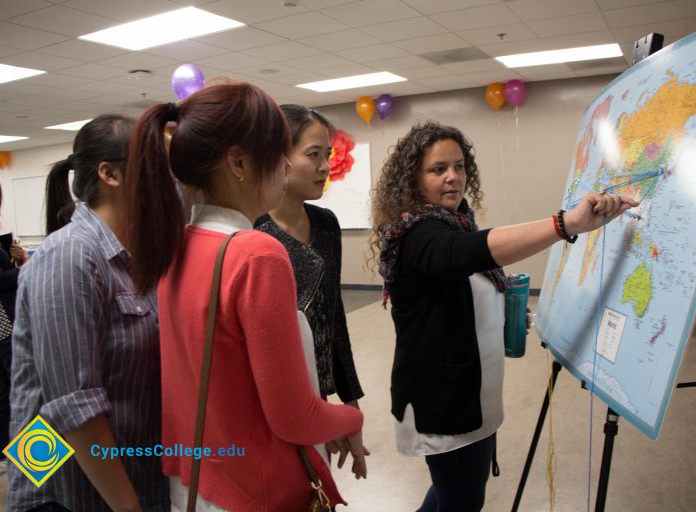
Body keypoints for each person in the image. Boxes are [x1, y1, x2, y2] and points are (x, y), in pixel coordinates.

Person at [368, 121, 638, 512]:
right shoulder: (416, 235)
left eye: (459, 166)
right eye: (438, 169)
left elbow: (460, 292)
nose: (453, 177)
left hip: (473, 394)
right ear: (413, 179)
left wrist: (500, 314)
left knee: (452, 495)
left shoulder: (457, 222)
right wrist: (567, 224)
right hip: (443, 402)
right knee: (461, 501)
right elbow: (463, 253)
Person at [123, 83, 364, 511]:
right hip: (258, 488)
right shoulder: (255, 253)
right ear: (238, 163)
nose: (285, 168)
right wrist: (352, 417)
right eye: (277, 155)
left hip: (199, 483)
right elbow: (295, 417)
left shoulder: (178, 244)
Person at [8, 114, 169, 512]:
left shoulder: (133, 255)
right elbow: (75, 407)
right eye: (156, 167)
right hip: (69, 491)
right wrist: (128, 506)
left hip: (128, 473)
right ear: (110, 175)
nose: (170, 181)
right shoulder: (69, 254)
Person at [254, 104, 368, 479]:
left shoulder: (326, 224)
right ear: (278, 157)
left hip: (317, 400)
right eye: (314, 154)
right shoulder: (252, 232)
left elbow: (334, 318)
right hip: (271, 408)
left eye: (327, 155)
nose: (325, 167)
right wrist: (309, 413)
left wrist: (349, 406)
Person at [0, 169, 27, 476]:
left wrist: (15, 259)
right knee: (21, 391)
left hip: (0, 324)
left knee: (6, 391)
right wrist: (27, 268)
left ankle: (0, 457)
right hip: (3, 324)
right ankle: (33, 462)